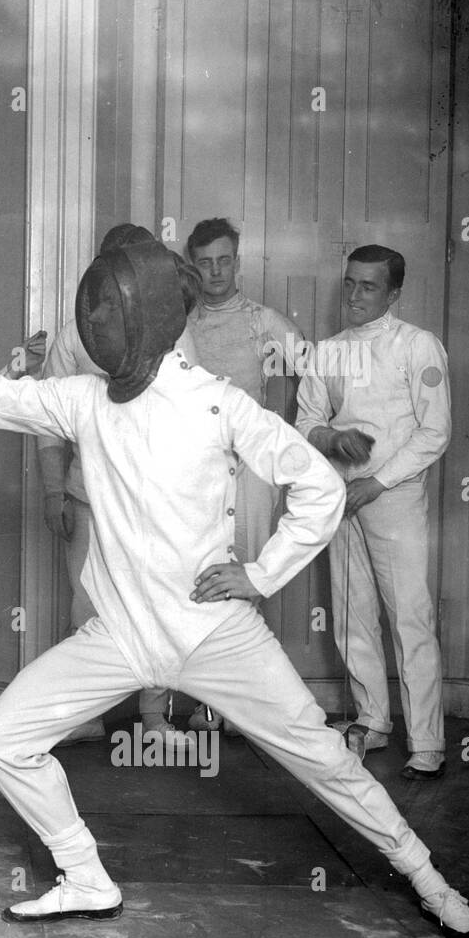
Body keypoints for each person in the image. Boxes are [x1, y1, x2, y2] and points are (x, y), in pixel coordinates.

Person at [0, 233, 469, 938]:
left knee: (323, 758)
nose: (96, 326)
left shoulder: (216, 403)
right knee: (2, 737)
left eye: (110, 313)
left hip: (213, 631)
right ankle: (85, 875)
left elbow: (316, 484)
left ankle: (429, 879)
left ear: (149, 318)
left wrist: (258, 574)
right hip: (121, 635)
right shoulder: (83, 401)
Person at [295, 245, 451, 780]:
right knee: (352, 615)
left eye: (368, 287)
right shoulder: (328, 351)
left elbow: (436, 432)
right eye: (350, 283)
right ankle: (373, 720)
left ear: (394, 294)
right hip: (342, 498)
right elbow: (304, 423)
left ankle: (427, 740)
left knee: (410, 616)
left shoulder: (418, 346)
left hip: (395, 499)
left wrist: (377, 482)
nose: (355, 295)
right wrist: (333, 439)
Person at [38, 223, 195, 744]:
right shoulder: (74, 334)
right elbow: (47, 422)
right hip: (88, 495)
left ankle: (153, 720)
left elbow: (193, 415)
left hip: (154, 497)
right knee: (87, 604)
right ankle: (83, 716)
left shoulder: (175, 332)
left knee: (153, 602)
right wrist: (52, 490)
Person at [183, 218, 301, 735]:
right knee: (199, 575)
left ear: (237, 261)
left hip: (251, 470)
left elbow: (312, 377)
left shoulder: (264, 322)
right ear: (193, 266)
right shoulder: (180, 323)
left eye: (223, 260)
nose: (214, 271)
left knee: (251, 574)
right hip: (193, 470)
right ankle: (208, 701)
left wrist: (282, 444)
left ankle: (257, 707)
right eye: (204, 262)